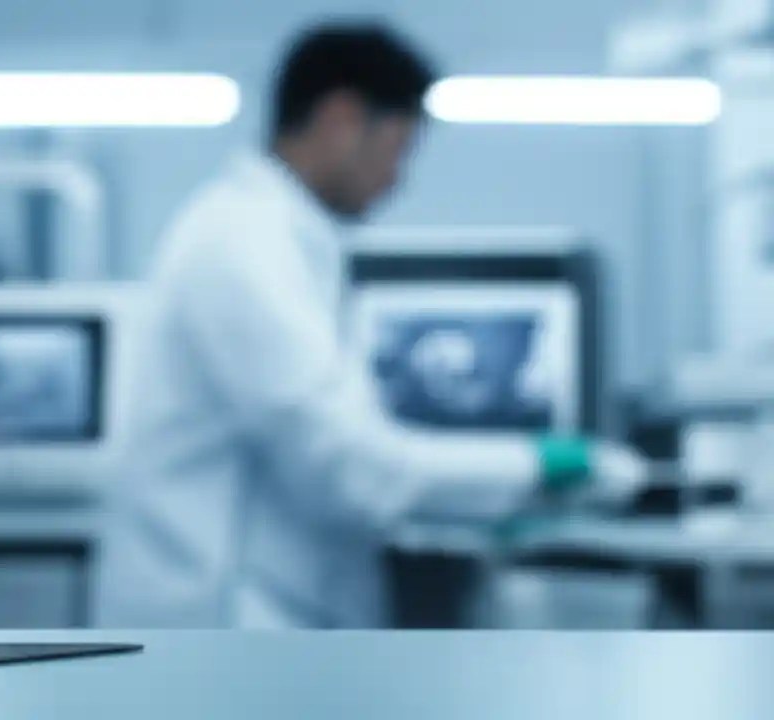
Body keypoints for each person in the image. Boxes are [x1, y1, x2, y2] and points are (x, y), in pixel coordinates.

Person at [95, 23, 646, 629]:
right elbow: (353, 467)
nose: (397, 179)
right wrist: (541, 464)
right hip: (224, 621)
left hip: (262, 615)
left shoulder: (282, 242)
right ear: (341, 119)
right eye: (398, 148)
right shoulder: (241, 245)